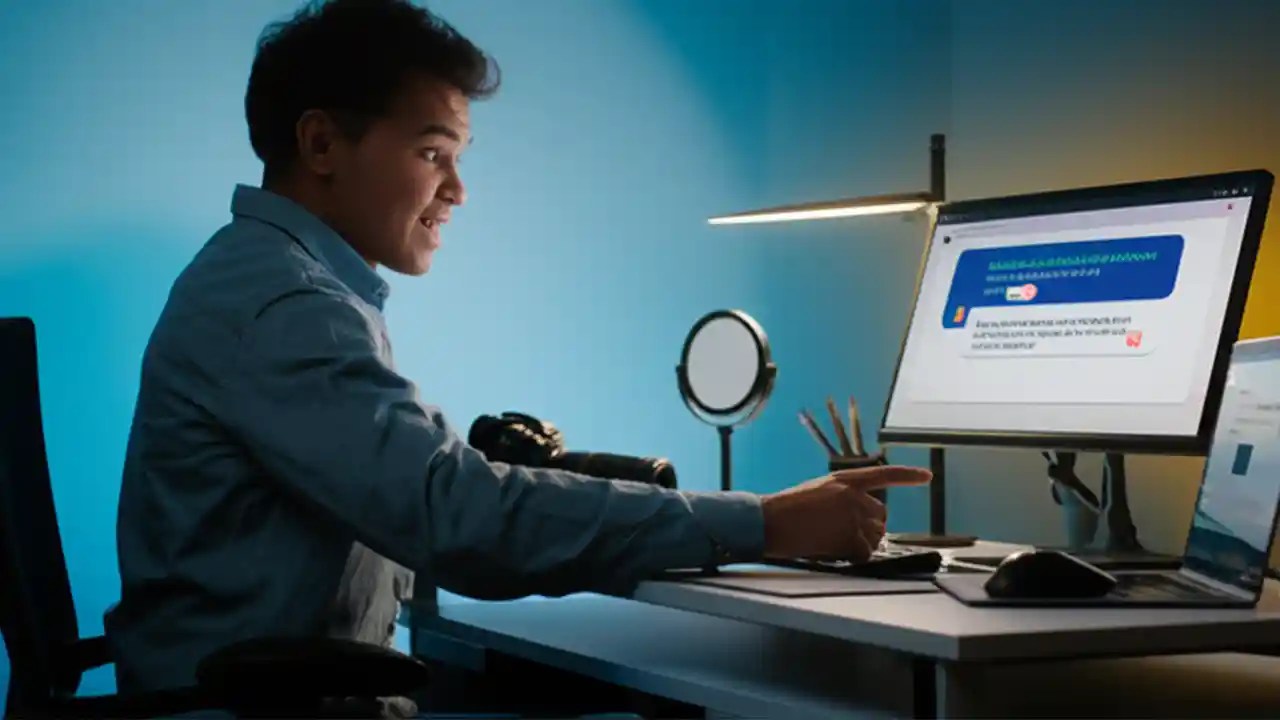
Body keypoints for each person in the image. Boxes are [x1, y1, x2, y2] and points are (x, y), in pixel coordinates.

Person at [103, 0, 931, 701]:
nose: (457, 190)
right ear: (321, 146)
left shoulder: (273, 282)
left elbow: (428, 496)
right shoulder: (287, 306)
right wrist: (766, 523)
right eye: (433, 154)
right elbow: (453, 515)